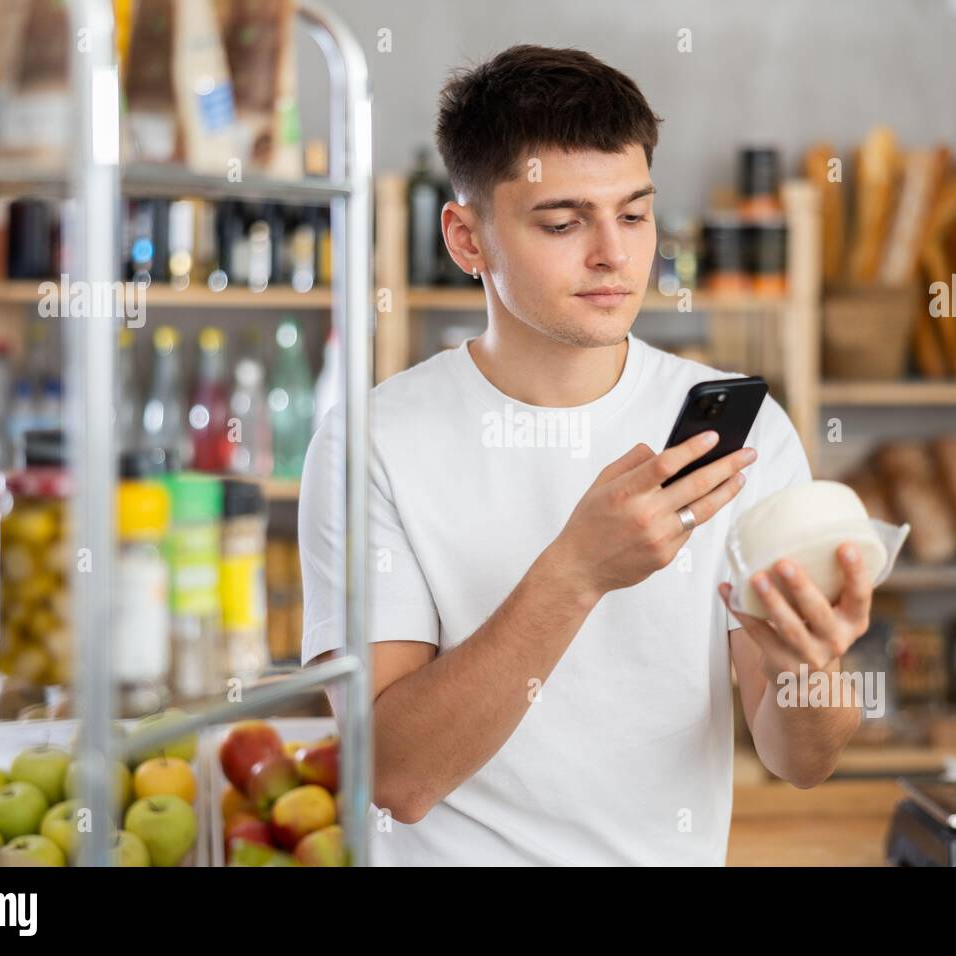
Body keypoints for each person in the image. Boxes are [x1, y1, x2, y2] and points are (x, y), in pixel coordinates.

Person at [299, 44, 873, 866]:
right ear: (467, 239)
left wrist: (808, 664)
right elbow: (393, 773)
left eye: (634, 214)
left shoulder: (743, 435)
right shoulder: (371, 444)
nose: (613, 254)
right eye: (564, 223)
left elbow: (801, 761)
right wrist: (577, 572)